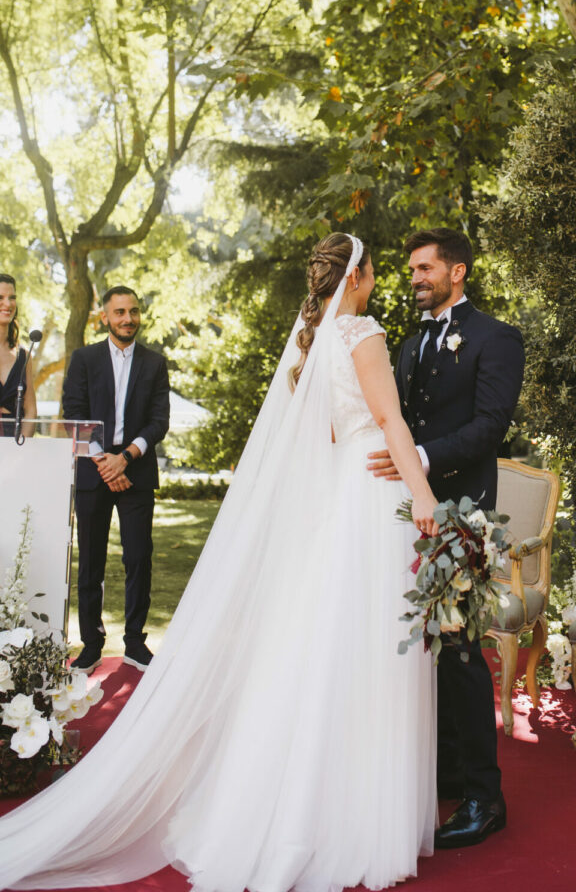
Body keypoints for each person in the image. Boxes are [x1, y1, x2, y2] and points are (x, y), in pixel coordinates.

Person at [0, 234, 438, 892]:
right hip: (372, 497)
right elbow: (392, 422)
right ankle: (355, 811)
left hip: (343, 493)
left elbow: (322, 435)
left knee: (329, 645)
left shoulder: (311, 343)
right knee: (368, 647)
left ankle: (302, 802)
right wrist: (426, 500)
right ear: (362, 276)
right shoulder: (361, 331)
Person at [368, 227, 524, 849]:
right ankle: (446, 772)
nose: (414, 278)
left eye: (425, 268)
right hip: (408, 514)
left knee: (460, 653)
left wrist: (422, 459)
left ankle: (487, 799)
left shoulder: (496, 338)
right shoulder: (407, 344)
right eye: (410, 269)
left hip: (464, 514)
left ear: (457, 272)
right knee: (423, 647)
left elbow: (490, 428)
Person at [62, 285, 170, 674]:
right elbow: (72, 412)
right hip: (94, 471)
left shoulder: (155, 362)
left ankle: (135, 643)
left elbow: (160, 422)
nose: (128, 319)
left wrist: (125, 458)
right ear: (105, 317)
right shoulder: (84, 359)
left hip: (136, 471)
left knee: (139, 557)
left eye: (134, 311)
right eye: (120, 312)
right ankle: (91, 644)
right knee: (90, 561)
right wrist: (106, 464)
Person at [0, 272, 37, 438]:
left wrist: (21, 450)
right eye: (0, 297)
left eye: (12, 297)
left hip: (14, 441)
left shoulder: (24, 355)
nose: (7, 304)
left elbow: (30, 411)